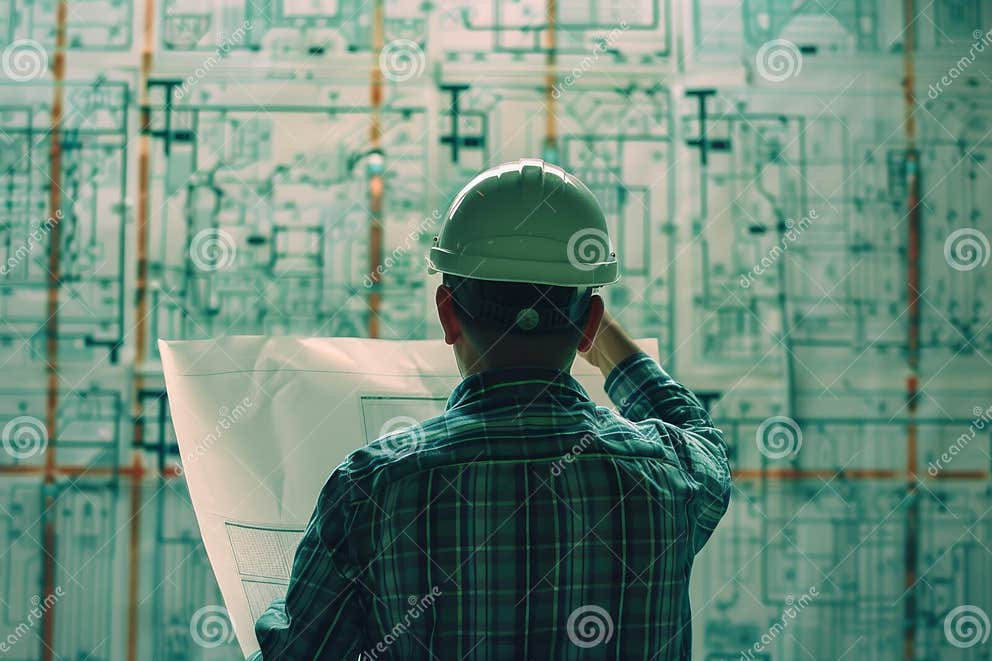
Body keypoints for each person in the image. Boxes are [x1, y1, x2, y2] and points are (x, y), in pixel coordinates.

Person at [252, 159, 732, 659]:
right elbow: (698, 433)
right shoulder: (671, 478)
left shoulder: (369, 492)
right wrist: (600, 335)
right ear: (589, 323)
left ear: (447, 313)